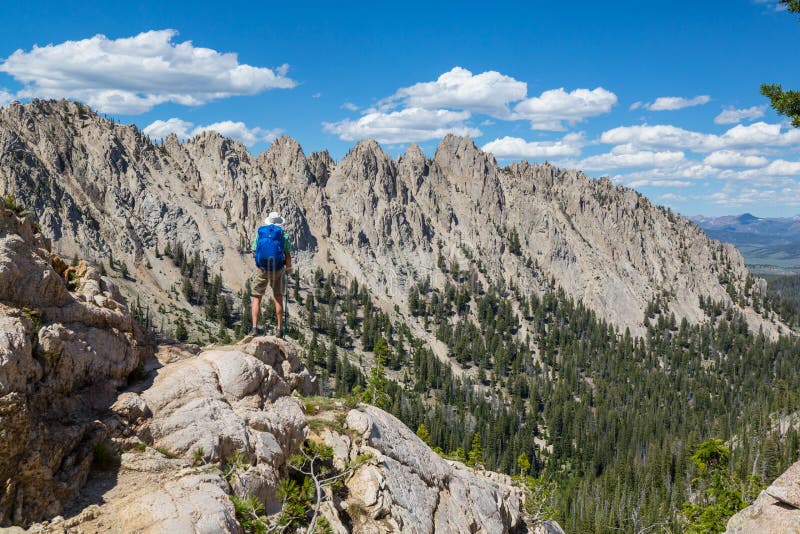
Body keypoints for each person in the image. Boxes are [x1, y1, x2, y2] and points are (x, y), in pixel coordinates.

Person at [250, 211, 292, 336]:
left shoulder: (261, 232)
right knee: (278, 298)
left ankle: (254, 328)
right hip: (278, 269)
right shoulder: (284, 235)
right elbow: (287, 256)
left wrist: (259, 260)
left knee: (257, 298)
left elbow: (254, 251)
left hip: (262, 269)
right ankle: (279, 330)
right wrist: (288, 269)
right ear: (279, 222)